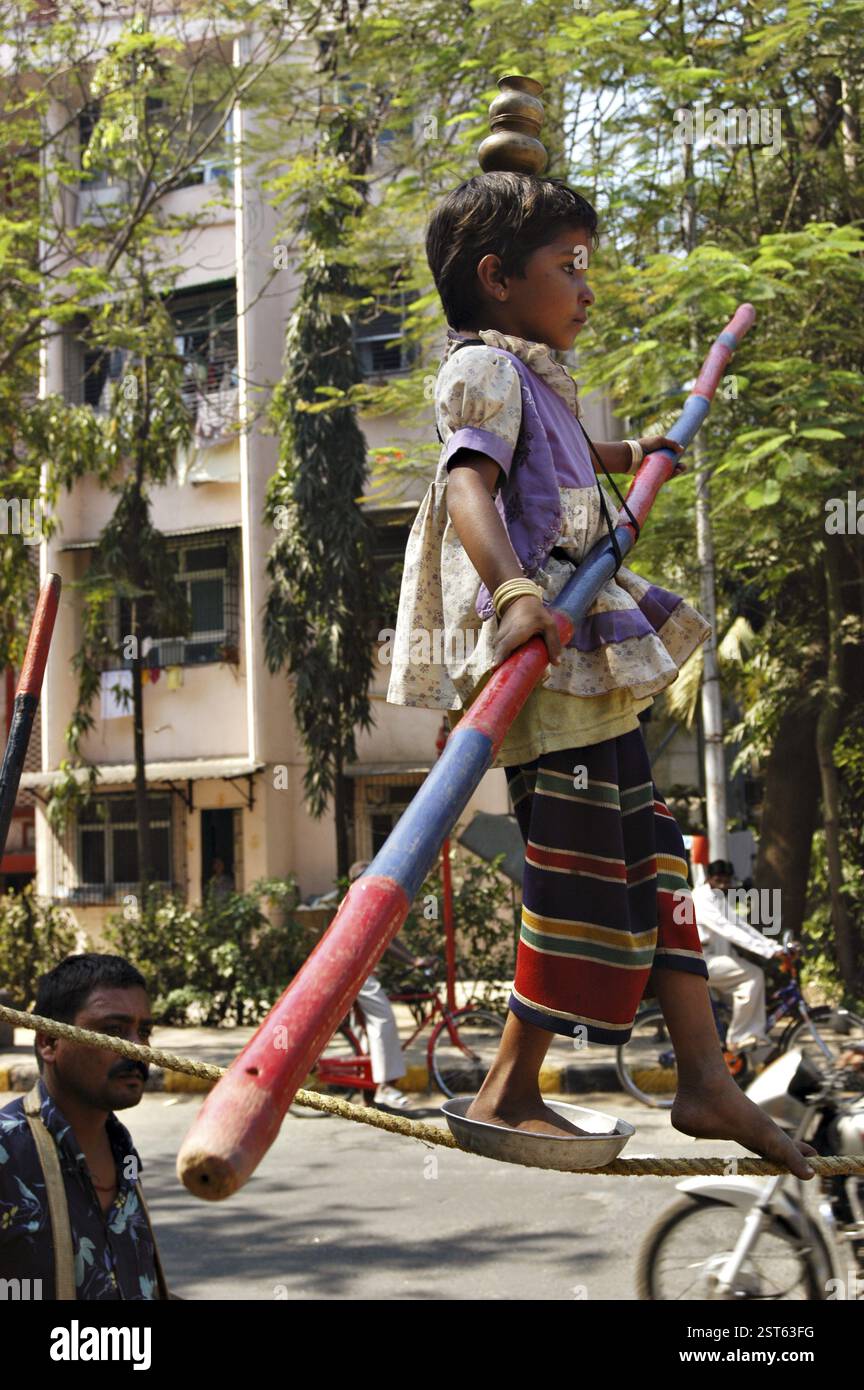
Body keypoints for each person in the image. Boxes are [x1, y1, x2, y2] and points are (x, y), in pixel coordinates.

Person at [385, 171, 817, 1180]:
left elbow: (569, 456)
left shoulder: (538, 373)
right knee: (580, 864)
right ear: (497, 279)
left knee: (654, 856)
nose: (587, 288)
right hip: (545, 644)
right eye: (567, 267)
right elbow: (469, 484)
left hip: (580, 649)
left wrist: (636, 451)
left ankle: (703, 1077)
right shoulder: (483, 369)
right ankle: (508, 1084)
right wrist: (511, 594)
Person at [0, 954, 173, 1298]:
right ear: (49, 1042)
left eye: (144, 1031)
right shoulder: (7, 1151)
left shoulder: (121, 1150)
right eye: (113, 1031)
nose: (139, 1049)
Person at [346, 860, 437, 1111]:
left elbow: (388, 936)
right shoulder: (362, 901)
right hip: (356, 971)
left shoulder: (361, 900)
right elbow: (386, 941)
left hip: (357, 970)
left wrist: (413, 959)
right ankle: (385, 1086)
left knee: (366, 1028)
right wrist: (413, 960)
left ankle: (369, 1088)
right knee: (383, 1020)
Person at [692, 859, 785, 1053]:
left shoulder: (716, 897)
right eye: (719, 880)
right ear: (709, 878)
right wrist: (768, 952)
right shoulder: (701, 898)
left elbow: (740, 925)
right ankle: (739, 1038)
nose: (723, 885)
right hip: (698, 959)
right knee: (753, 975)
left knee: (746, 978)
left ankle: (743, 1042)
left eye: (726, 881)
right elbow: (727, 930)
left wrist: (771, 946)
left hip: (707, 956)